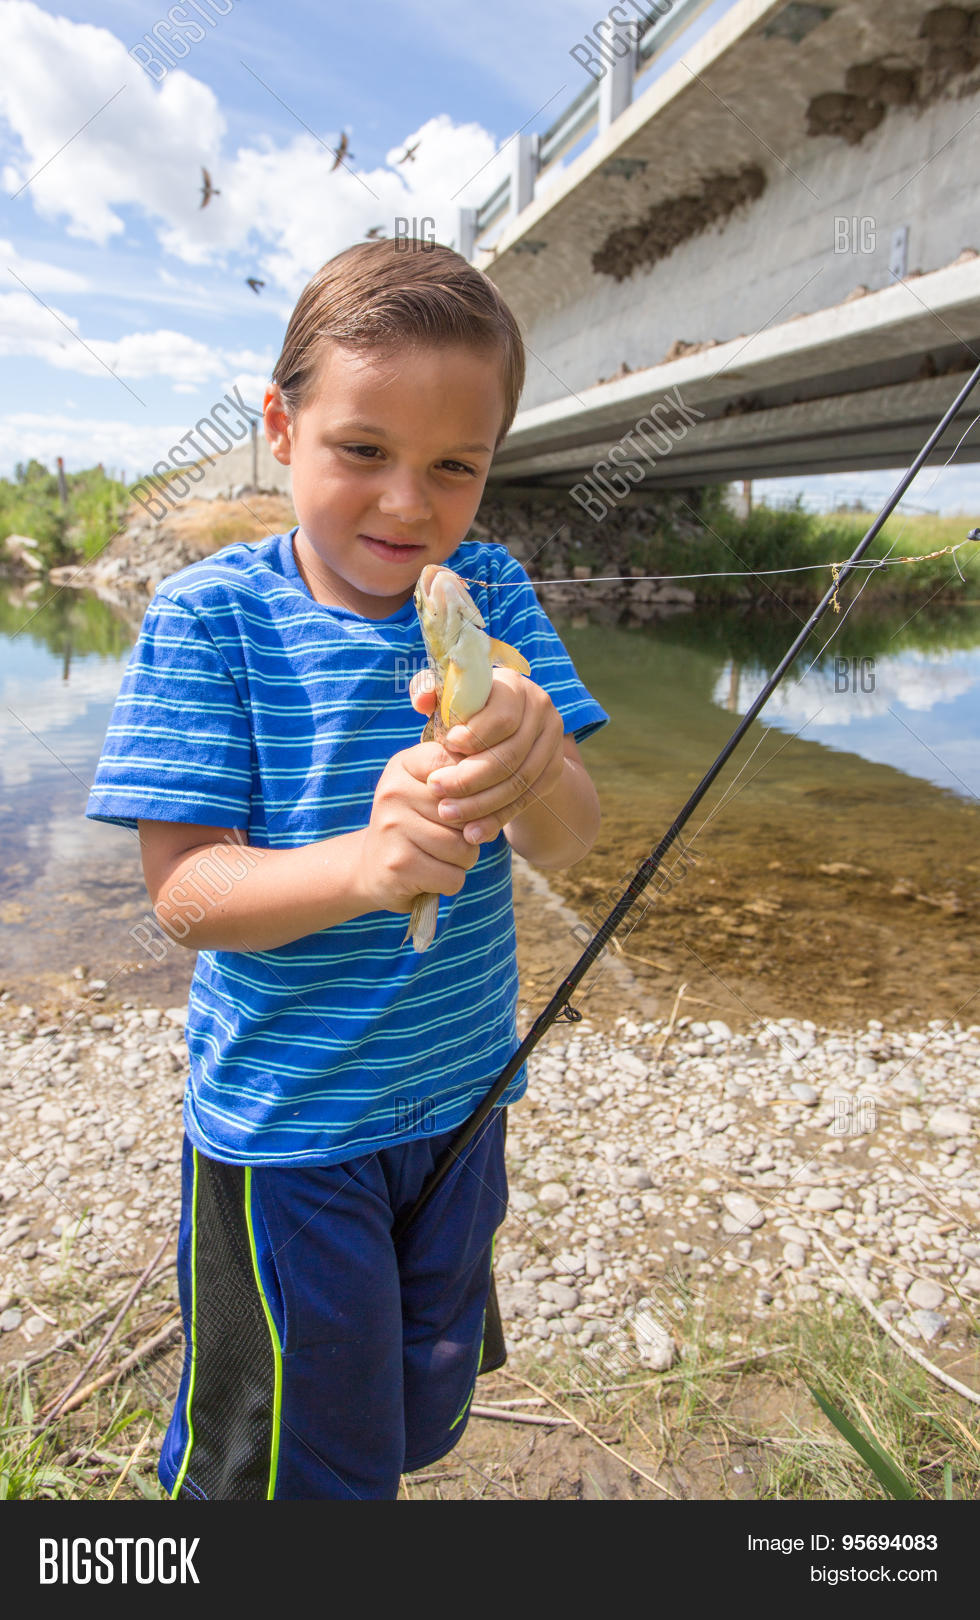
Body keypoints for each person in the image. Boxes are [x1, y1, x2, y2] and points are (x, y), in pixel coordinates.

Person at [85, 238, 608, 1500]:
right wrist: (369, 865)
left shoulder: (488, 589)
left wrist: (534, 761)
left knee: (405, 1421)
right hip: (292, 1135)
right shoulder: (211, 618)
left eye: (454, 467)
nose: (407, 506)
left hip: (457, 1112)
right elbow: (187, 897)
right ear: (281, 424)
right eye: (361, 451)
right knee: (285, 1474)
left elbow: (567, 840)